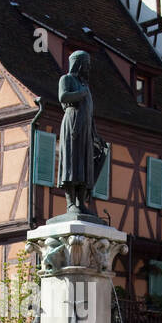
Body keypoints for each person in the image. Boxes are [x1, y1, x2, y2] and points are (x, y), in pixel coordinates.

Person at [57, 50, 107, 217]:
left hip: (86, 129)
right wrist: (81, 94)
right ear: (78, 64)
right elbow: (63, 97)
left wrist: (96, 135)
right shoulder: (67, 79)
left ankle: (80, 203)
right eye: (86, 65)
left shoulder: (86, 86)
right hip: (72, 124)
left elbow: (90, 113)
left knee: (84, 165)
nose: (88, 69)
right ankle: (70, 203)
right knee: (72, 164)